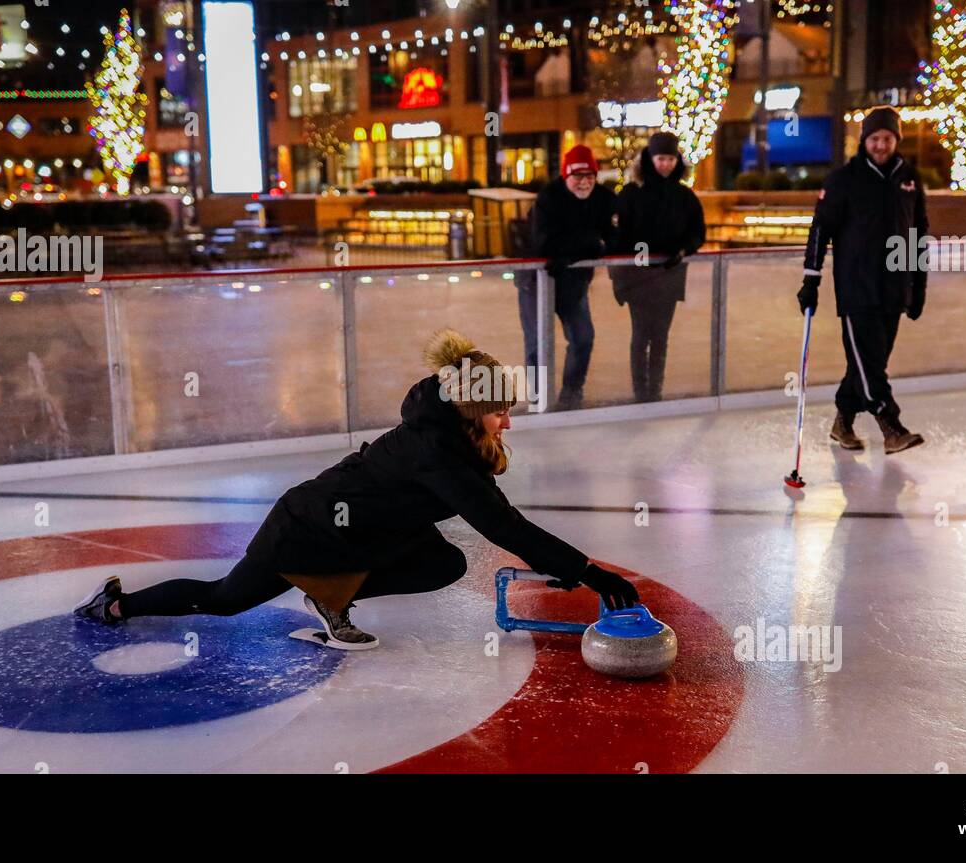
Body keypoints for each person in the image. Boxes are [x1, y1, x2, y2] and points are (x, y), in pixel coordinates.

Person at [75, 329, 640, 650]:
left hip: (370, 528)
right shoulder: (438, 453)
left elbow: (498, 517)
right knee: (226, 600)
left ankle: (333, 597)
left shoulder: (453, 428)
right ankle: (117, 605)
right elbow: (503, 524)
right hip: (310, 525)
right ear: (471, 409)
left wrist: (571, 565)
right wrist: (590, 571)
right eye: (499, 413)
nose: (508, 425)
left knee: (442, 562)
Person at [798, 105, 927, 454]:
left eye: (887, 138)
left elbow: (918, 234)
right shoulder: (844, 180)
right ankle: (891, 426)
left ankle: (842, 422)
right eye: (874, 139)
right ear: (864, 140)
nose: (881, 145)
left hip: (895, 287)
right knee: (870, 364)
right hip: (857, 287)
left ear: (896, 140)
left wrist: (918, 287)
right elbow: (820, 229)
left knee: (868, 364)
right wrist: (811, 279)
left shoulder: (908, 179)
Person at [515, 144, 615, 411]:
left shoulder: (603, 199)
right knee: (537, 342)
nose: (584, 183)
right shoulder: (548, 199)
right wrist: (591, 244)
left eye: (590, 177)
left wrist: (586, 248)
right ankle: (539, 397)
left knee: (583, 337)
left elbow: (614, 238)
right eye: (577, 177)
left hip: (573, 282)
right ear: (565, 176)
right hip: (536, 282)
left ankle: (572, 392)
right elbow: (545, 246)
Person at [612, 131, 706, 403]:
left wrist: (683, 250)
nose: (665, 164)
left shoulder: (684, 197)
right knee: (641, 334)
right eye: (660, 158)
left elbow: (698, 232)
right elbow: (620, 235)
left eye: (670, 159)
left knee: (661, 336)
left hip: (669, 276)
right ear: (649, 159)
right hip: (638, 278)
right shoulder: (632, 194)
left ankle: (656, 390)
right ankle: (641, 392)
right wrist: (620, 271)